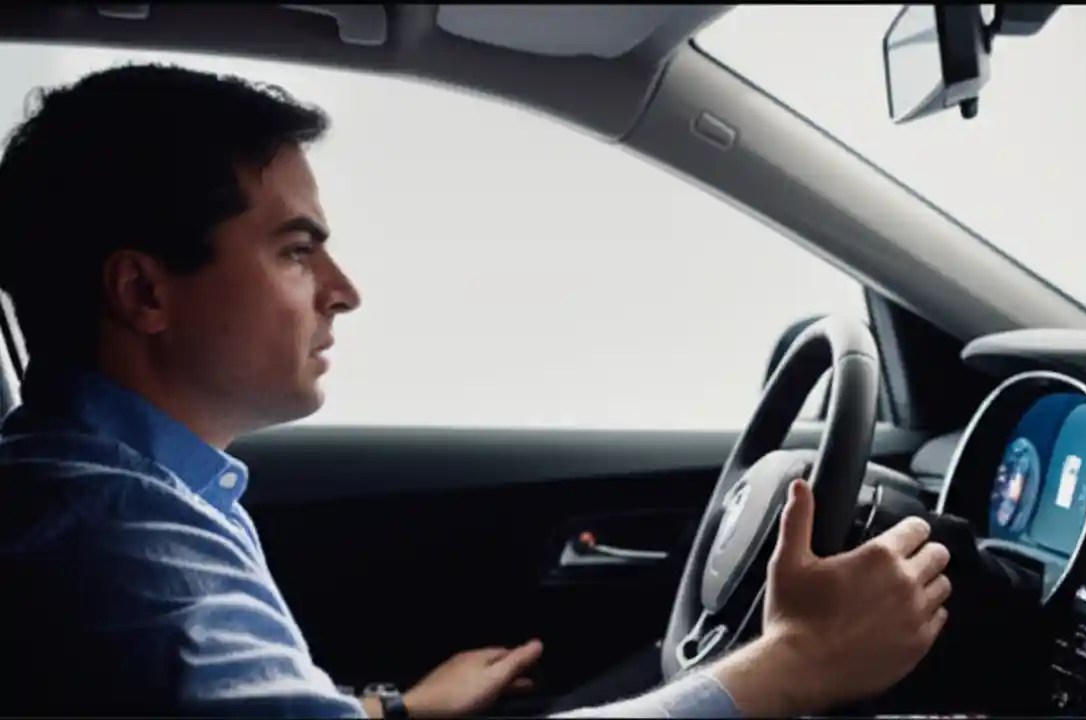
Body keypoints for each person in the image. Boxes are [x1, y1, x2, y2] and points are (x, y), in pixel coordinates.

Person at [0, 64, 952, 718]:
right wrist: (796, 663)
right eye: (296, 251)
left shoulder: (129, 491)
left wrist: (394, 710)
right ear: (143, 291)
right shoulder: (110, 539)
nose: (344, 290)